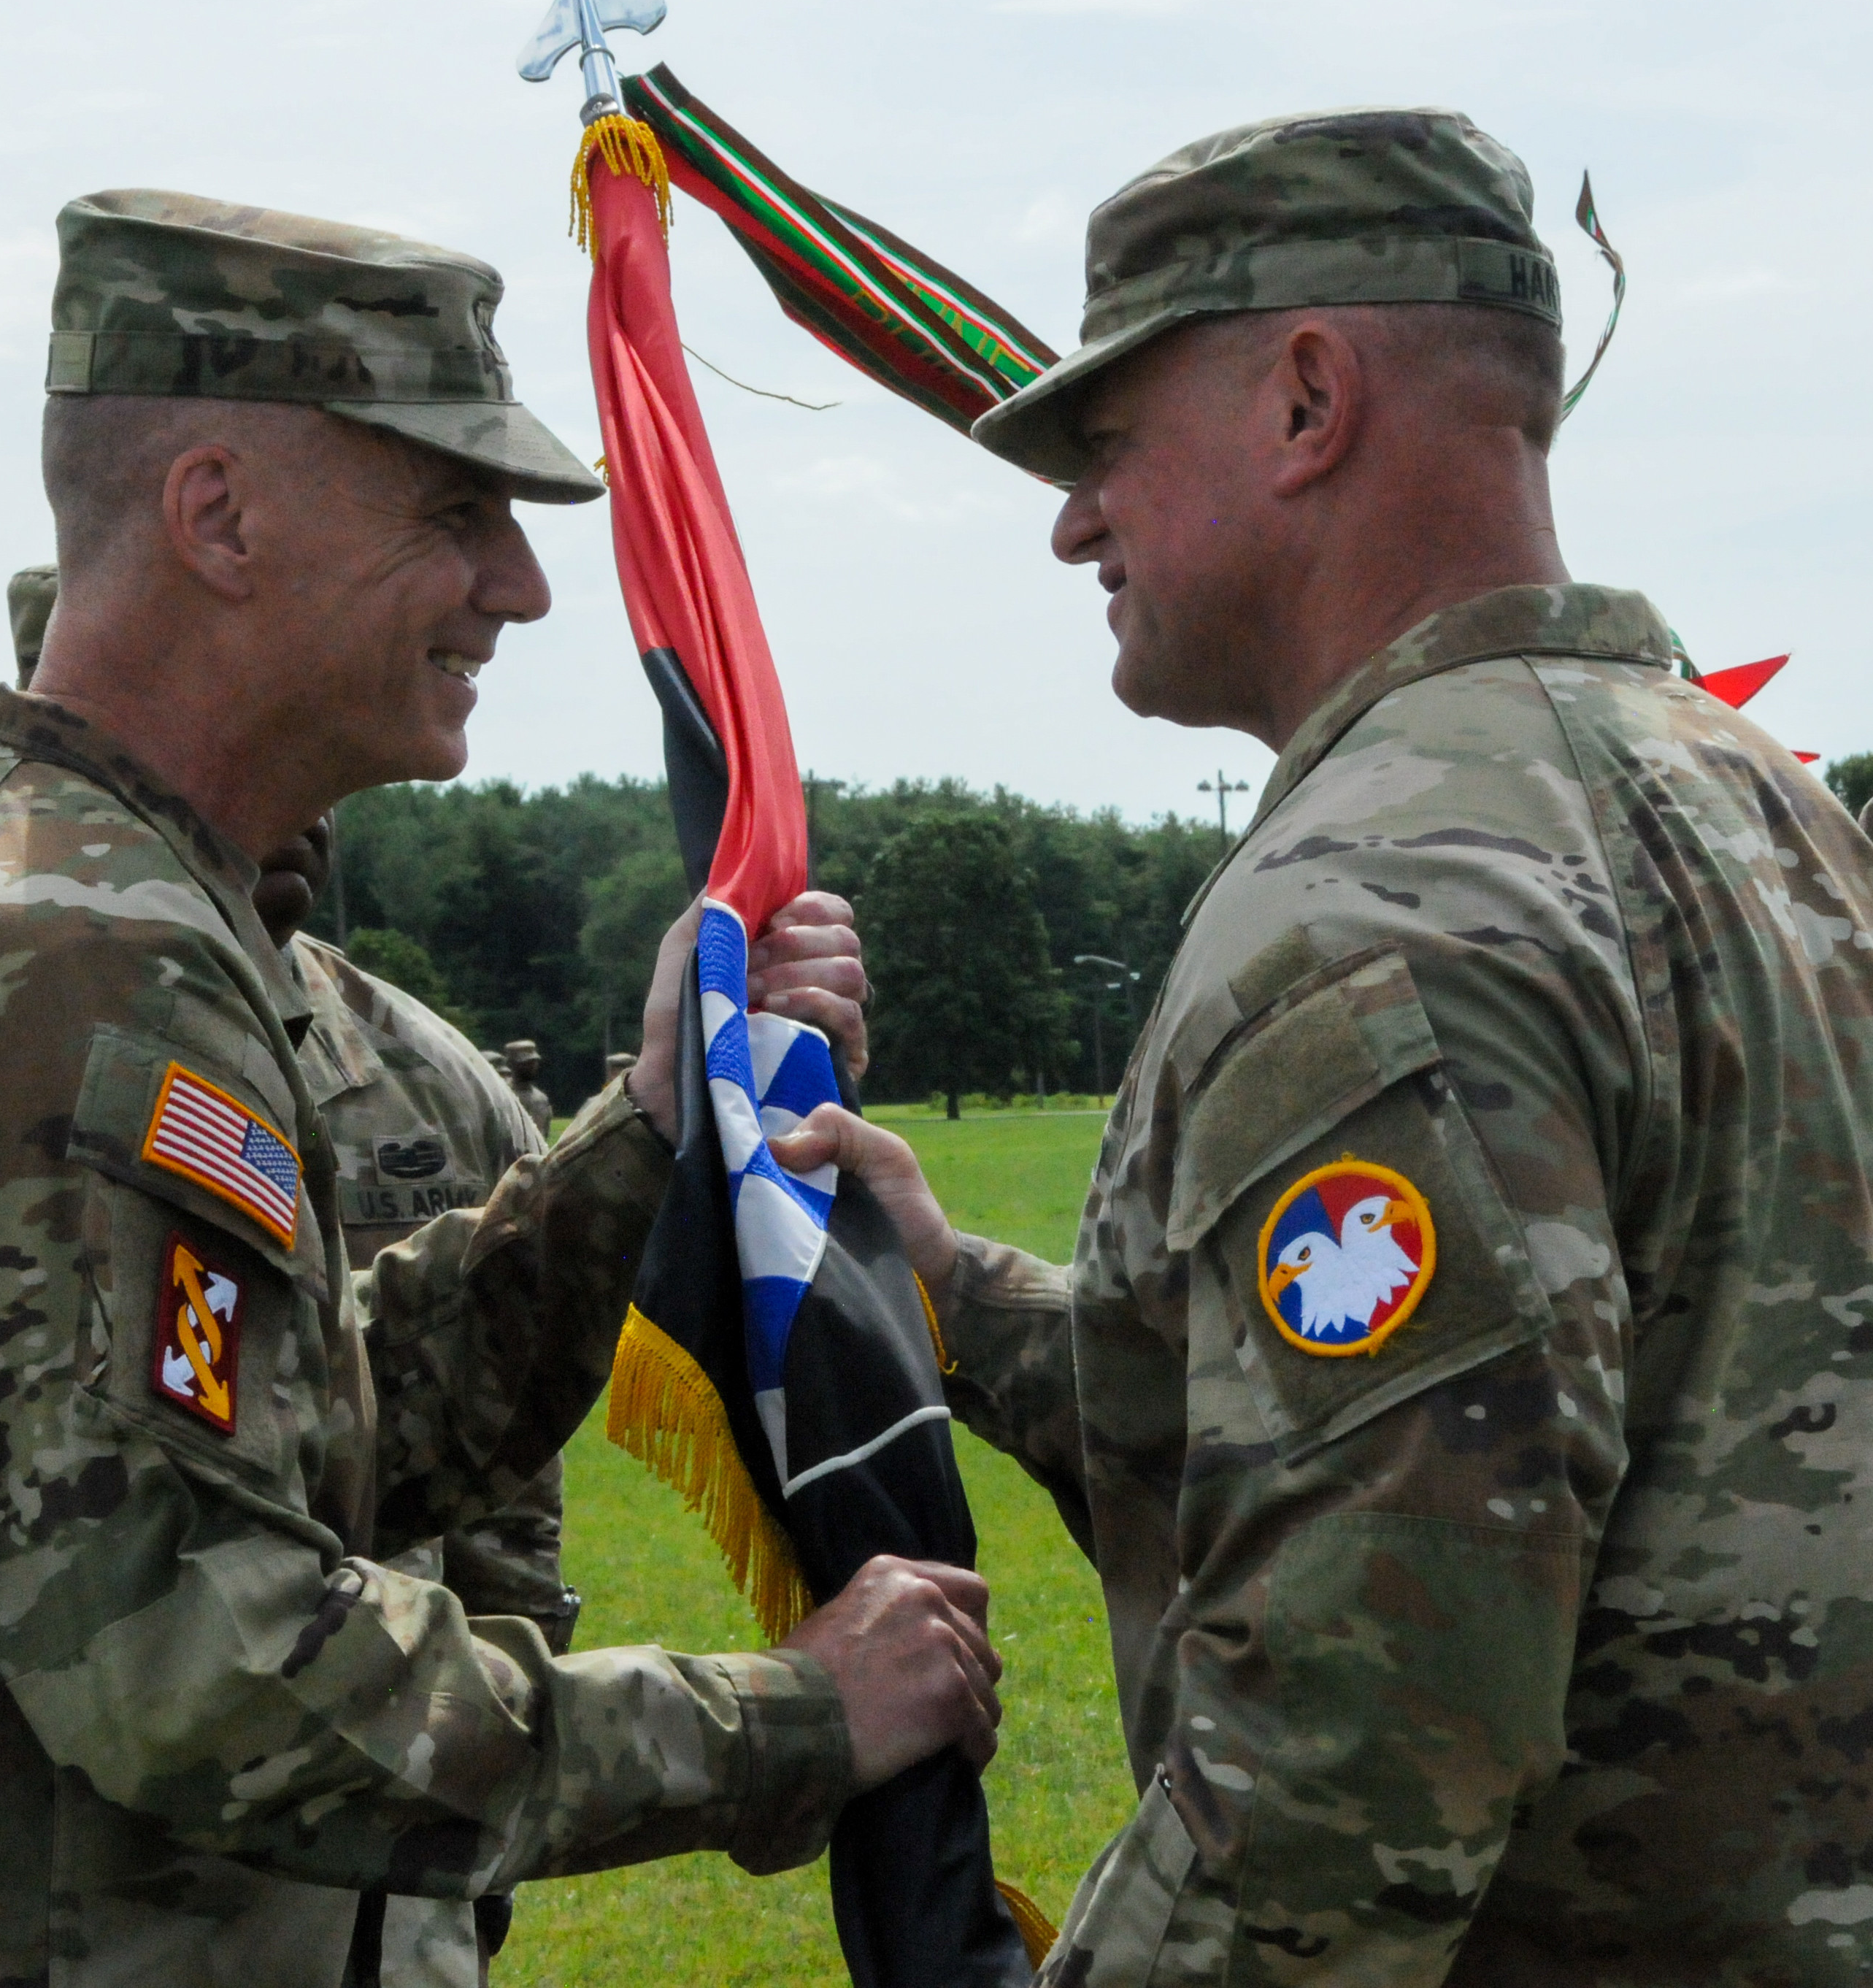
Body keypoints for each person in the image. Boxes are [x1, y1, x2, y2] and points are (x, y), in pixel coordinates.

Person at [0, 188, 1002, 1986]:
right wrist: (790, 1713)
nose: (518, 586)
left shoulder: (51, 881)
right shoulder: (74, 945)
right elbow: (201, 1669)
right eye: (456, 514)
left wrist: (649, 1125)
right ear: (219, 516)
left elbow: (312, 1443)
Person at [772, 110, 1873, 1983]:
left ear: (1305, 401)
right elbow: (1578, 1405)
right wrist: (955, 1292)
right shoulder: (1767, 812)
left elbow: (1343, 1788)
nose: (1072, 519)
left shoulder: (1374, 906)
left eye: (1106, 446)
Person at [12, 572, 576, 1984]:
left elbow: (505, 1511)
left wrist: (466, 1865)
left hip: (389, 1881)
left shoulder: (433, 1083)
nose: (303, 808)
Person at [500, 1038, 553, 1135]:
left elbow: (544, 1134)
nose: (532, 1066)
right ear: (511, 1064)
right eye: (525, 1063)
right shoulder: (502, 1096)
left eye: (533, 1062)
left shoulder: (541, 1099)